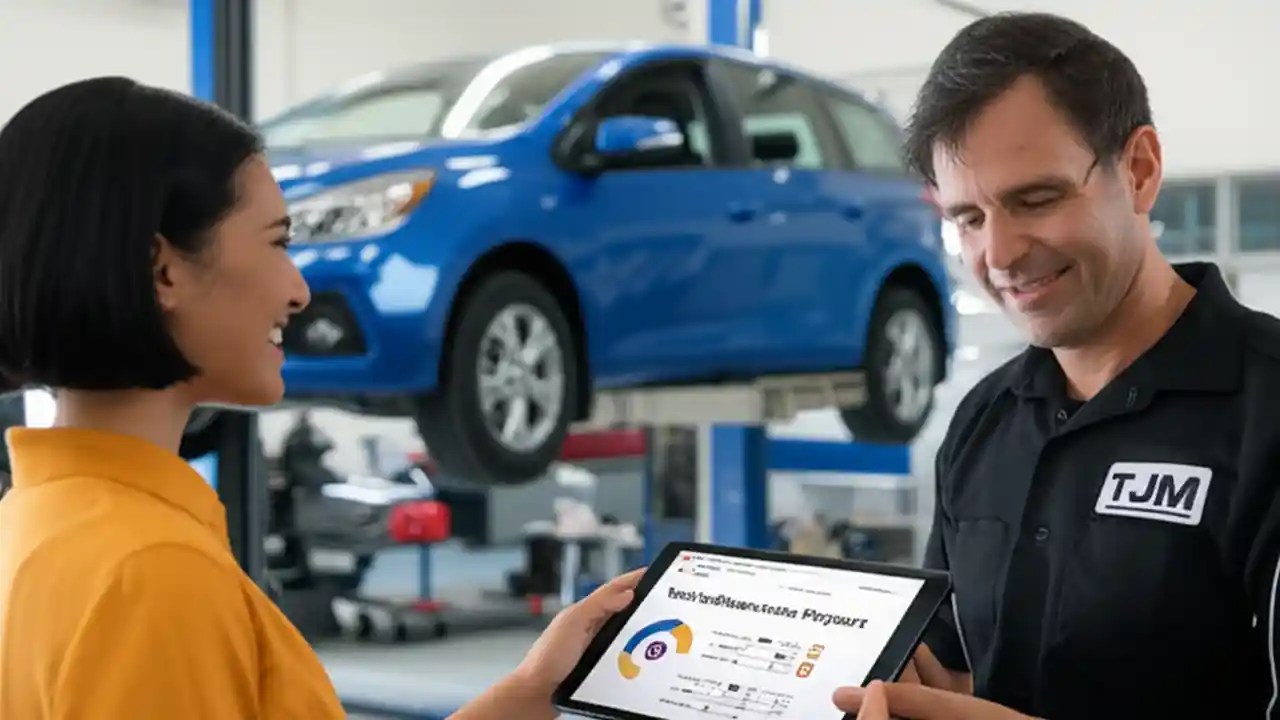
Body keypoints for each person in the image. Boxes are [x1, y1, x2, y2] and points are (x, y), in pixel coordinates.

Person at [0, 76, 641, 719]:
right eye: (278, 243)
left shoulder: (38, 523)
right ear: (162, 271)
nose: (299, 290)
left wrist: (530, 689)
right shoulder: (154, 573)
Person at [832, 10, 1280, 720]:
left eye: (1035, 200)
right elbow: (950, 672)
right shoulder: (983, 421)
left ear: (1139, 170)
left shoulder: (1267, 413)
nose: (1000, 255)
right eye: (968, 219)